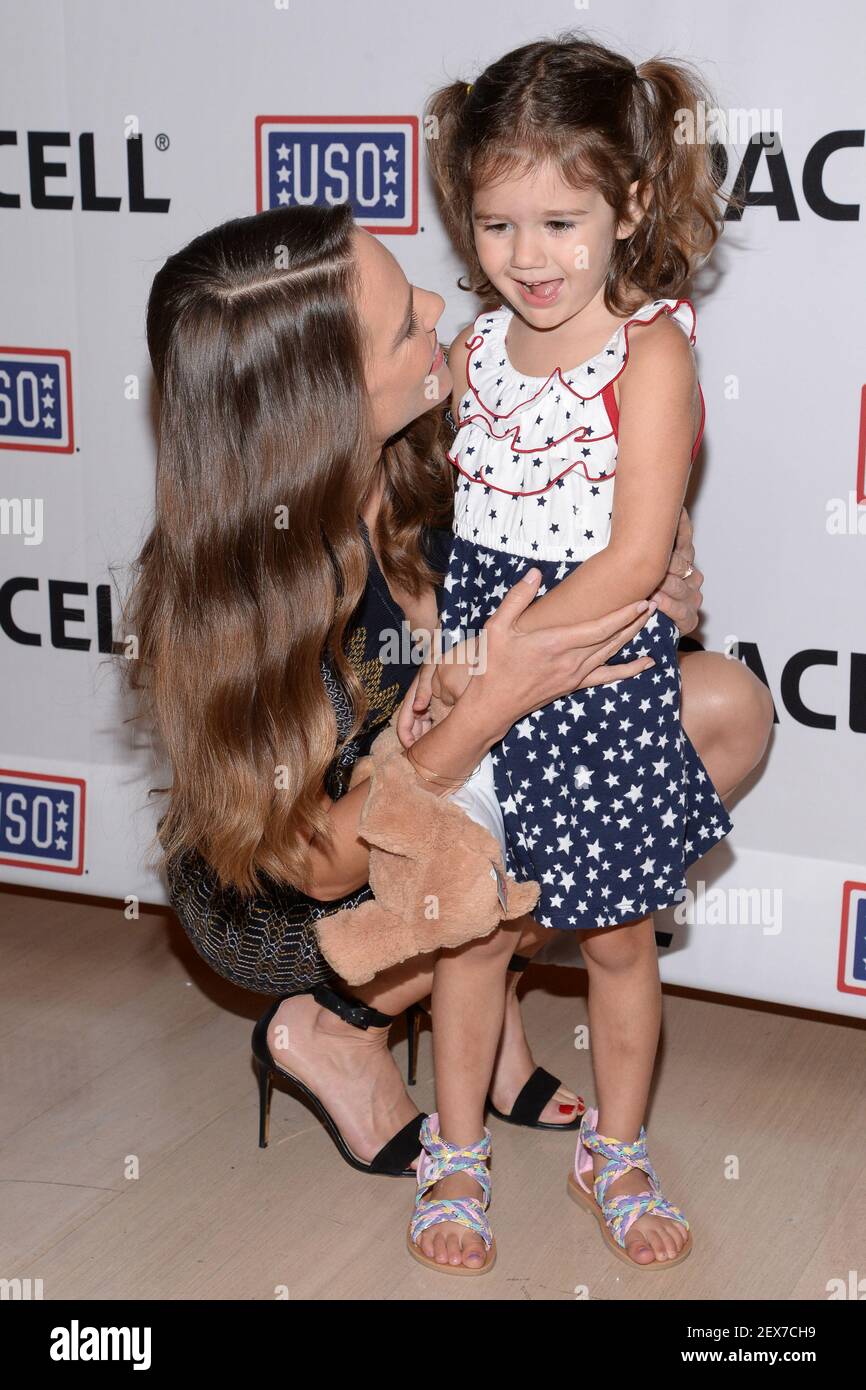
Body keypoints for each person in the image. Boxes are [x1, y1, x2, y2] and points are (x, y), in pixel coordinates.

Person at [120, 198, 772, 1247]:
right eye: (399, 323)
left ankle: (488, 994)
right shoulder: (235, 599)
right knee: (472, 861)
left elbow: (596, 528)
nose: (438, 300)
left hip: (441, 801)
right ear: (320, 410)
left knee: (720, 714)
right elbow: (322, 865)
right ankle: (336, 1027)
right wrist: (493, 696)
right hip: (285, 900)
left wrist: (655, 579)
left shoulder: (454, 419)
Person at [390, 32, 773, 1273]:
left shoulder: (650, 351)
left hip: (593, 670)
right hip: (485, 655)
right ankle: (454, 1155)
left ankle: (615, 1147)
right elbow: (444, 530)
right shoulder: (470, 356)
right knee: (472, 934)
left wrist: (496, 660)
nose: (527, 258)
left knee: (616, 937)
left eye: (560, 221)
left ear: (634, 203)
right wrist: (454, 656)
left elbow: (628, 559)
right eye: (496, 226)